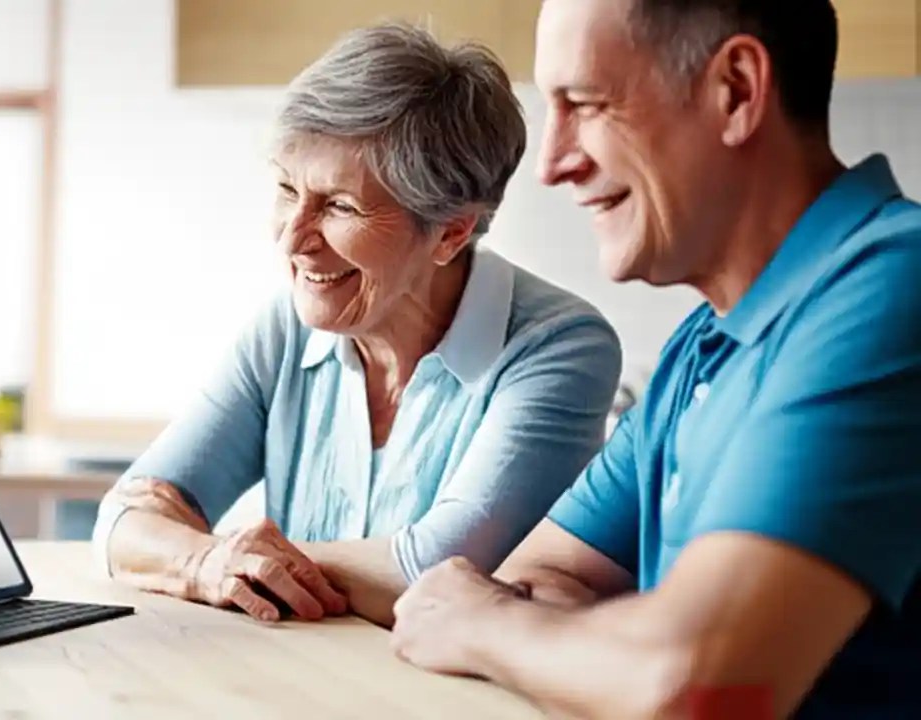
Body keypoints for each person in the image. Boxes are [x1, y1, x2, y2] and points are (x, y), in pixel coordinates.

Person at [389, 1, 921, 717]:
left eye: (585, 103)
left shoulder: (895, 286)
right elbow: (544, 572)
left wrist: (481, 622)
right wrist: (610, 647)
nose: (551, 165)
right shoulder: (702, 344)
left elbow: (698, 680)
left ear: (735, 90)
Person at [90, 23, 622, 627]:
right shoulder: (284, 333)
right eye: (288, 189)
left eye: (340, 206)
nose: (293, 239)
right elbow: (123, 523)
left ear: (450, 231)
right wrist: (210, 563)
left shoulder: (559, 346)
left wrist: (229, 558)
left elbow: (439, 572)